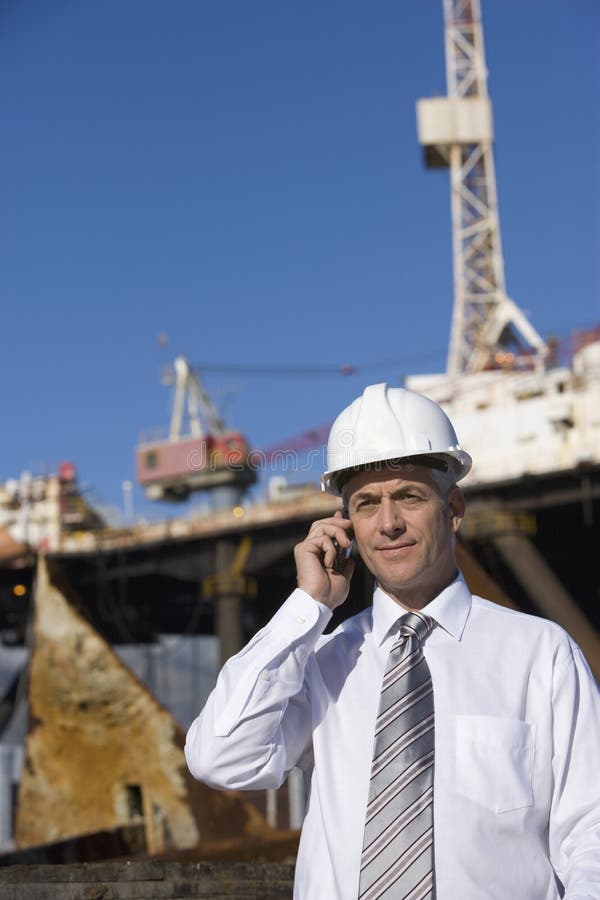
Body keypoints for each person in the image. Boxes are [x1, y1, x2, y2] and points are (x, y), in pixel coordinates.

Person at [185, 383, 600, 899]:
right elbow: (219, 756)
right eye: (366, 504)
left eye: (409, 496)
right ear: (347, 524)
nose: (388, 524)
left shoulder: (542, 655)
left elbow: (592, 831)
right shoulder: (321, 662)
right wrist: (307, 608)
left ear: (453, 507)